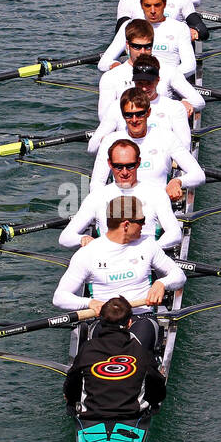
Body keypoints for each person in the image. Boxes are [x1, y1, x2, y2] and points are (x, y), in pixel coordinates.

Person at [53, 195, 186, 352]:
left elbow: (179, 276)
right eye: (142, 220)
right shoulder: (87, 254)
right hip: (105, 320)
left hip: (141, 316)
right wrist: (90, 303)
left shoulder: (147, 244)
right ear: (126, 225)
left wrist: (161, 283)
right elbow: (59, 298)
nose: (145, 225)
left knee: (132, 352)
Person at [59, 138, 183, 250]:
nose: (124, 172)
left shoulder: (156, 194)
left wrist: (151, 251)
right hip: (108, 261)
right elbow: (65, 237)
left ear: (138, 163)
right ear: (109, 164)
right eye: (118, 167)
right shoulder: (97, 197)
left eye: (130, 166)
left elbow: (175, 234)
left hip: (145, 262)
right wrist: (82, 239)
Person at [64, 295, 167, 421]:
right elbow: (158, 386)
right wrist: (155, 402)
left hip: (91, 415)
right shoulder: (140, 350)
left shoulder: (87, 348)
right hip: (132, 415)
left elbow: (72, 381)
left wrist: (71, 402)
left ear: (100, 322)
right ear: (129, 323)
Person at [89, 88, 204, 198]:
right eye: (128, 115)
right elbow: (97, 184)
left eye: (139, 114)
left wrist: (178, 182)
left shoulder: (167, 137)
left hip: (156, 207)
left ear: (148, 112)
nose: (134, 120)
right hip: (122, 209)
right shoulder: (110, 141)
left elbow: (198, 175)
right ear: (123, 115)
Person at [96, 19, 204, 123]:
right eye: (137, 47)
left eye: (147, 47)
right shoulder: (110, 77)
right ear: (127, 45)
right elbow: (104, 116)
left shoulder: (168, 70)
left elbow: (198, 101)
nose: (142, 52)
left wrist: (184, 103)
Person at [88, 55, 191, 152]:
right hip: (125, 163)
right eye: (140, 83)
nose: (144, 88)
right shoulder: (116, 107)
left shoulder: (175, 108)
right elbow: (92, 147)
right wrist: (107, 143)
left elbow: (185, 147)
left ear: (158, 81)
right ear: (134, 81)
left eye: (149, 83)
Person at [98, 0, 196, 76]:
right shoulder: (129, 26)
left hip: (166, 85)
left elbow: (189, 66)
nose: (152, 10)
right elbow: (103, 63)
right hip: (135, 81)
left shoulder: (180, 28)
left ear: (164, 4)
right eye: (148, 5)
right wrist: (115, 66)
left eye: (157, 5)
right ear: (141, 5)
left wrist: (160, 78)